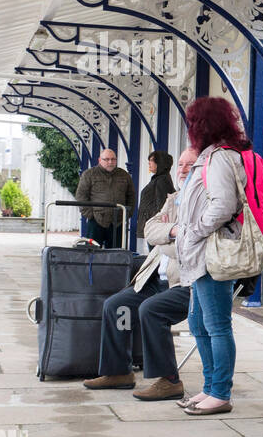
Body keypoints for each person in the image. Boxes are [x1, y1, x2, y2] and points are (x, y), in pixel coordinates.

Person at [82, 148, 197, 399]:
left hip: (185, 284)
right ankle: (118, 372)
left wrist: (167, 233)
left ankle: (169, 380)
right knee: (116, 306)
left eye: (190, 164)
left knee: (151, 310)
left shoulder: (205, 202)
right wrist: (173, 232)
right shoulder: (174, 198)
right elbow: (150, 228)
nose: (183, 169)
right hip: (156, 277)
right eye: (180, 164)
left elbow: (191, 245)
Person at [172, 97, 250, 416]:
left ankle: (220, 392)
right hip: (199, 255)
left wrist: (194, 231)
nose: (190, 129)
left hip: (211, 253)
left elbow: (222, 205)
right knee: (198, 322)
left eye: (193, 122)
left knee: (217, 324)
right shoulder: (209, 157)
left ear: (203, 125)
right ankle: (209, 387)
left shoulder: (219, 158)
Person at [75, 147, 134, 248]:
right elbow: (81, 196)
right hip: (96, 221)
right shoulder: (89, 174)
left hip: (118, 221)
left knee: (116, 255)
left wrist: (126, 214)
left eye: (113, 159)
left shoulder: (124, 175)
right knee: (92, 254)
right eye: (106, 159)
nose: (110, 162)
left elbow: (131, 196)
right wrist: (90, 215)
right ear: (99, 160)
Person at [137, 150, 175, 239]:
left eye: (151, 160)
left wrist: (154, 224)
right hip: (151, 225)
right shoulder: (159, 179)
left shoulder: (162, 181)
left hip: (154, 227)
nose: (149, 163)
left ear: (160, 162)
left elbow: (162, 206)